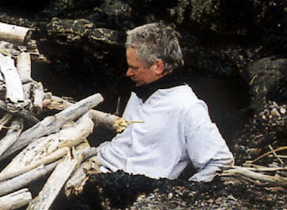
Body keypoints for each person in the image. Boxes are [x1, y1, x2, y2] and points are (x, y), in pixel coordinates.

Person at [95, 23, 233, 182]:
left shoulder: (187, 106)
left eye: (134, 68)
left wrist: (184, 192)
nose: (128, 73)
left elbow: (220, 160)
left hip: (129, 185)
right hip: (97, 164)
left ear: (158, 67)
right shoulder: (141, 90)